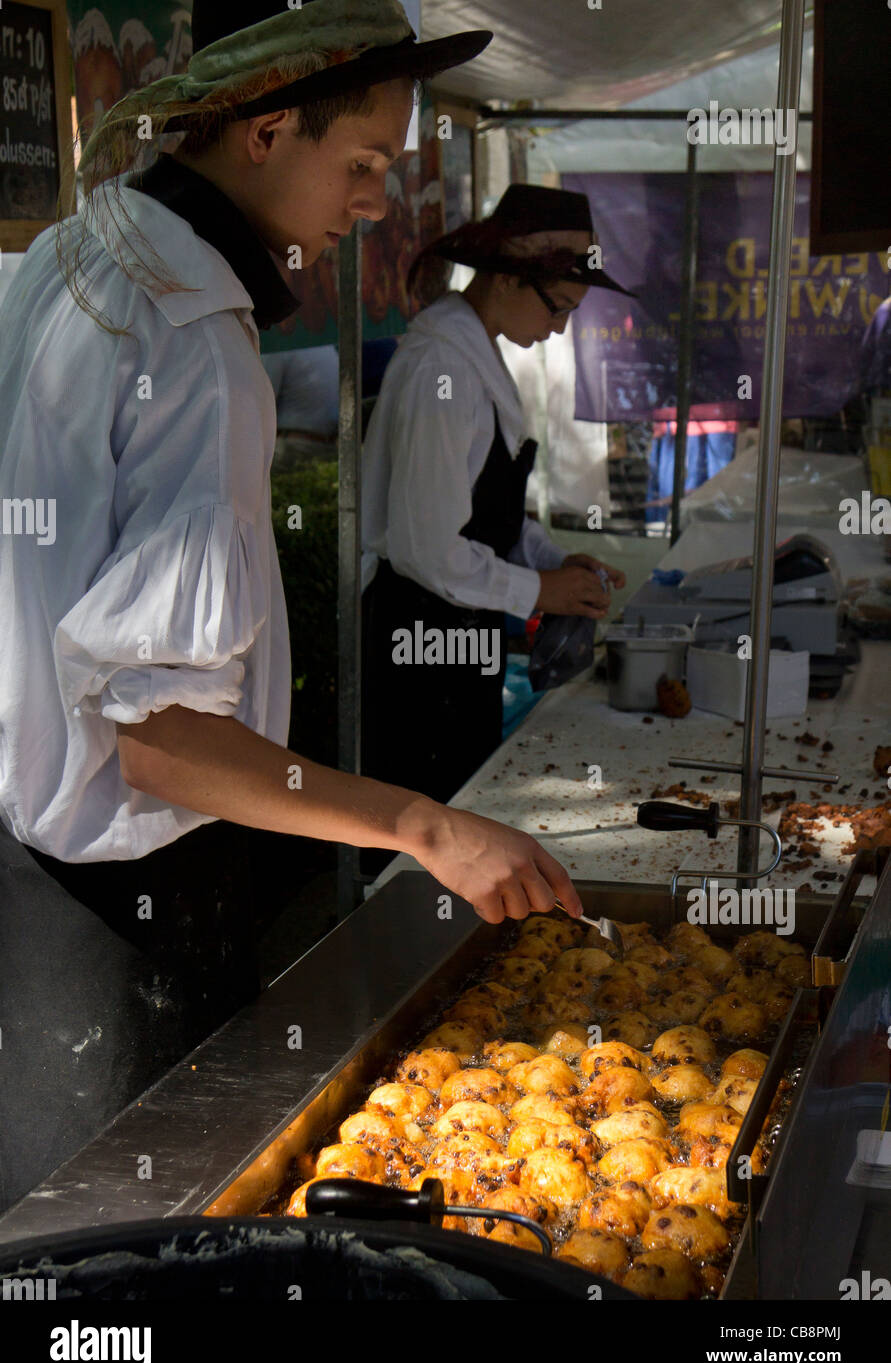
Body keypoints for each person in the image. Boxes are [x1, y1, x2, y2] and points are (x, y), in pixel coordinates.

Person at [0, 0, 584, 1216]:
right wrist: (426, 828)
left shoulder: (68, 255)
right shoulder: (195, 347)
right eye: (361, 162)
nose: (375, 200)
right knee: (127, 1245)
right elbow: (161, 743)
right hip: (117, 916)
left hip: (27, 876)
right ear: (264, 134)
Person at [361, 184, 629, 812]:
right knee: (426, 826)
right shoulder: (441, 374)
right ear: (508, 279)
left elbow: (488, 515)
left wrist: (553, 563)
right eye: (557, 307)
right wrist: (538, 591)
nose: (560, 328)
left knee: (465, 809)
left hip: (460, 635)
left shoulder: (476, 356)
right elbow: (426, 549)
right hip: (417, 643)